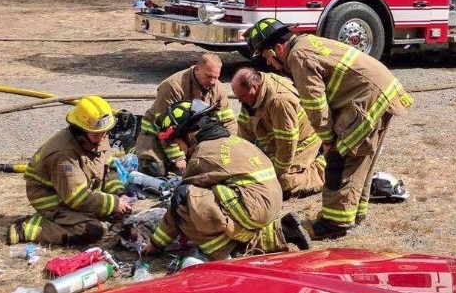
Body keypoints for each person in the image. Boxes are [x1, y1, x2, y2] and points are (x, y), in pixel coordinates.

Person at [244, 19, 413, 240]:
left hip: (366, 98)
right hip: (378, 92)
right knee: (361, 158)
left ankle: (334, 223)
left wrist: (327, 139)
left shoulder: (298, 57)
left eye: (268, 57)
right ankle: (355, 213)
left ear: (278, 48)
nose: (270, 65)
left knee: (340, 158)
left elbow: (315, 104)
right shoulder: (306, 43)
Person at [141, 99, 311, 259]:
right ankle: (282, 231)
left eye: (177, 141)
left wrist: (156, 244)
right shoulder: (234, 140)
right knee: (203, 195)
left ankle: (228, 250)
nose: (178, 148)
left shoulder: (203, 155)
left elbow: (176, 204)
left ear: (190, 134)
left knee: (184, 198)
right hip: (272, 202)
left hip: (253, 207)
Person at [8, 95, 133, 246]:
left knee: (119, 216)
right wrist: (113, 203)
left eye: (105, 132)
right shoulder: (64, 154)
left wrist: (120, 193)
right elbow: (76, 197)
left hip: (78, 190)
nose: (102, 138)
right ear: (80, 129)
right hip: (53, 197)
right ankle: (29, 228)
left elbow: (109, 168)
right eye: (96, 134)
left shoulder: (98, 133)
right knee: (93, 230)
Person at [136, 53, 237, 177]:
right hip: (158, 135)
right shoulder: (172, 86)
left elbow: (228, 121)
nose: (213, 82)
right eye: (209, 76)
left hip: (188, 136)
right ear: (197, 69)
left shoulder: (218, 88)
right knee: (157, 170)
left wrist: (230, 147)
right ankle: (132, 145)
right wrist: (177, 158)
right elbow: (164, 127)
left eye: (216, 77)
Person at [232, 67, 326, 199]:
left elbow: (287, 144)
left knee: (283, 183)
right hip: (276, 141)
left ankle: (324, 165)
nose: (239, 101)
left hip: (302, 141)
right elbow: (244, 130)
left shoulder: (279, 100)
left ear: (254, 87)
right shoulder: (251, 96)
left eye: (241, 96)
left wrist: (276, 173)